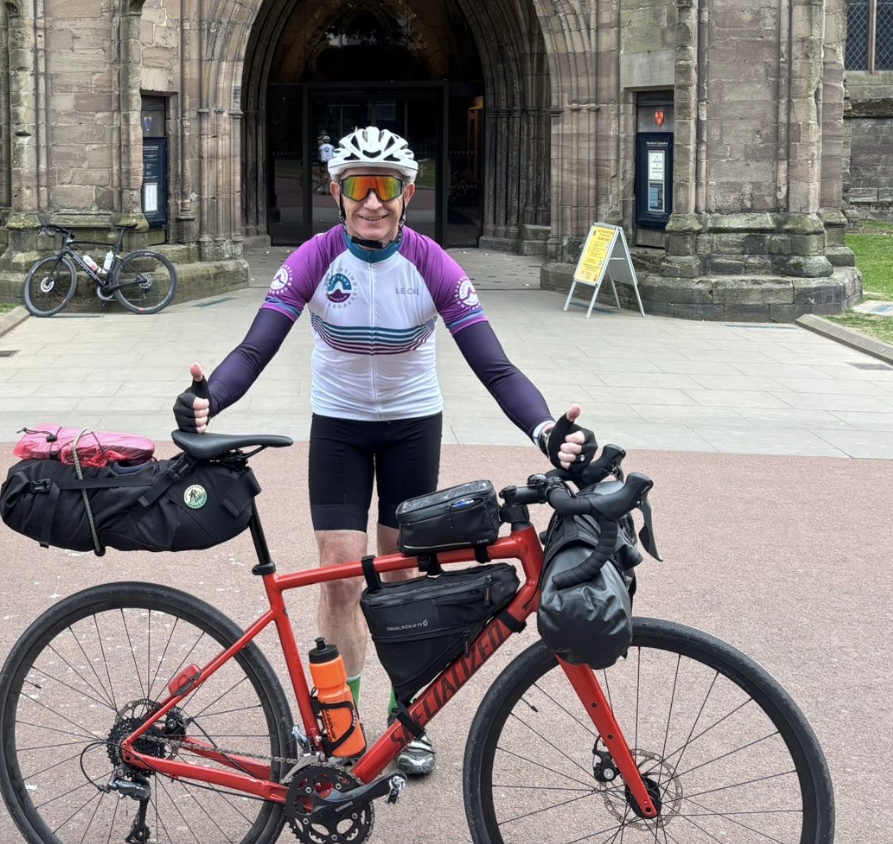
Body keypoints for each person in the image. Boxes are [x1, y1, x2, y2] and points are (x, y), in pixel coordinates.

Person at [174, 126, 595, 777]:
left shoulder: (431, 264)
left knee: (399, 573)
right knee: (341, 573)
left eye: (387, 186)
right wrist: (209, 399)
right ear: (338, 193)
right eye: (359, 187)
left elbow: (497, 370)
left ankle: (407, 716)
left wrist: (547, 431)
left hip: (410, 427)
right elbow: (256, 349)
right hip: (340, 426)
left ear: (409, 192)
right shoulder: (315, 258)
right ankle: (339, 722)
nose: (373, 201)